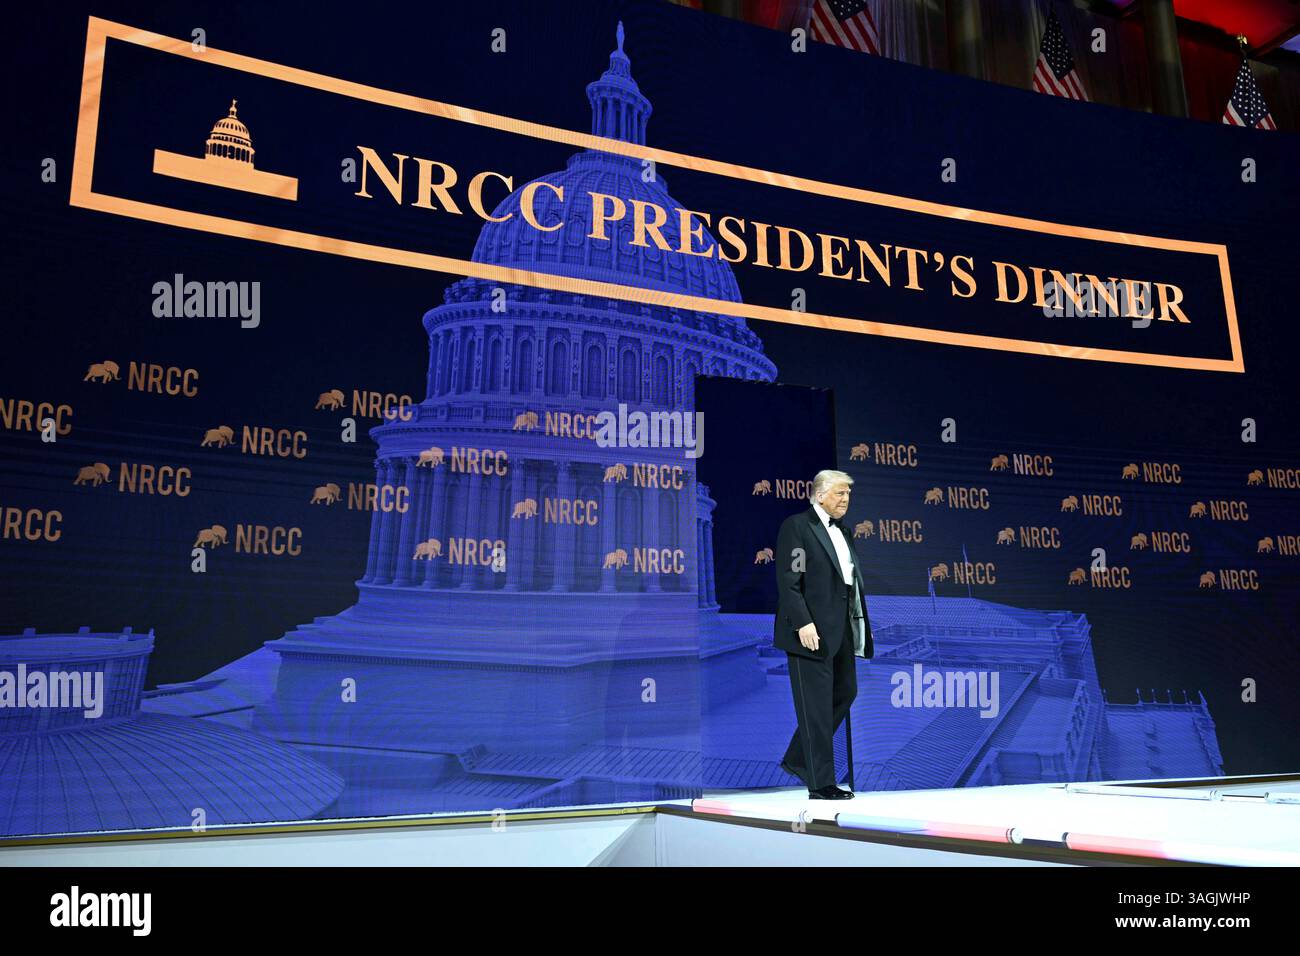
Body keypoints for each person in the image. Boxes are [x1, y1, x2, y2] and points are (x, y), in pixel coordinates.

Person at [773, 469, 874, 799]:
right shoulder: (798, 527)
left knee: (846, 692)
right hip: (810, 631)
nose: (846, 500)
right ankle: (820, 783)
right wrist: (803, 622)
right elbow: (790, 581)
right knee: (814, 707)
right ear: (819, 495)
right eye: (839, 493)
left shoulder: (844, 531)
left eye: (848, 494)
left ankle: (799, 759)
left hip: (841, 628)